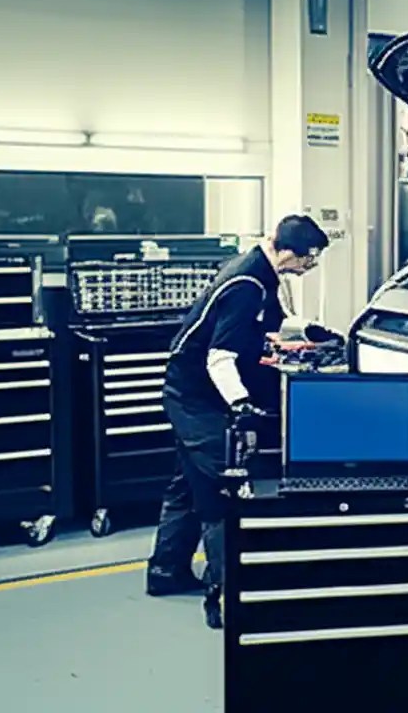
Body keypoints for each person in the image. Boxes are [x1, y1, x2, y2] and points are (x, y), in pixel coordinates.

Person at [144, 214, 330, 629]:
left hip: (190, 391)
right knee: (218, 488)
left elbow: (273, 322)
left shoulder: (261, 274)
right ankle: (225, 593)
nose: (310, 266)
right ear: (286, 252)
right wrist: (243, 405)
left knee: (186, 482)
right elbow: (219, 357)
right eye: (308, 258)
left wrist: (314, 334)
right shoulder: (246, 284)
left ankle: (165, 573)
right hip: (196, 397)